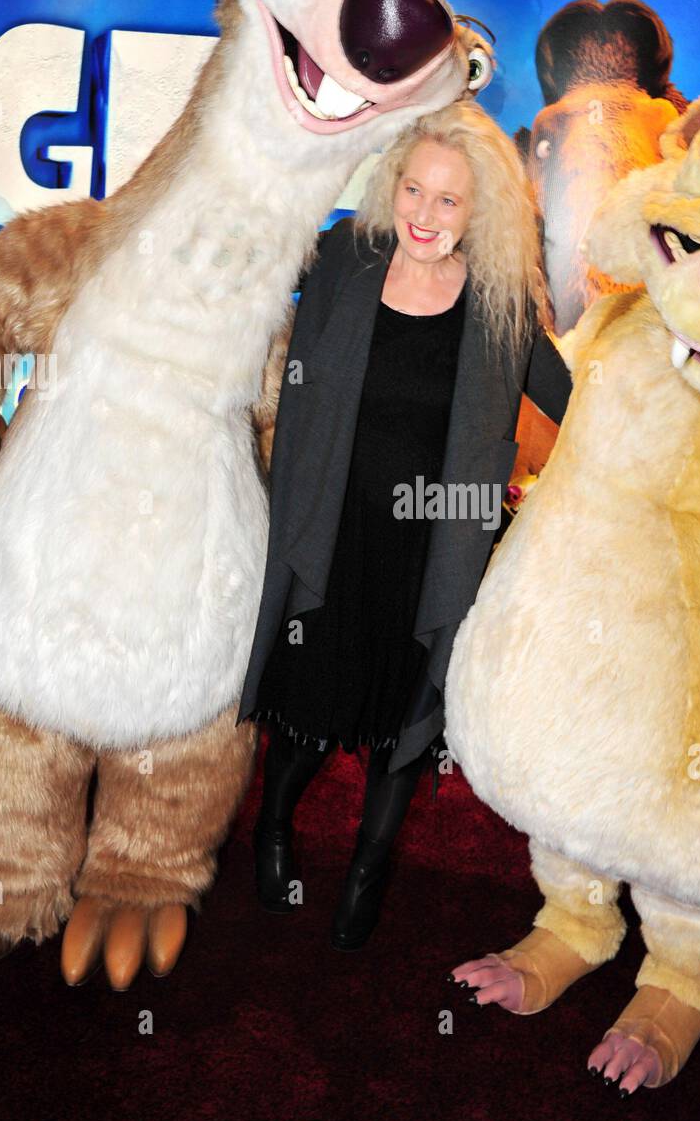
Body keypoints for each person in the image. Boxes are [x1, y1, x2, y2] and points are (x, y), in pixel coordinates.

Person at [236, 99, 573, 950]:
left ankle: (366, 871)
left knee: (402, 722)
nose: (425, 215)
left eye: (448, 201)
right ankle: (272, 829)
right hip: (333, 525)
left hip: (433, 545)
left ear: (480, 210)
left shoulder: (499, 299)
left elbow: (576, 402)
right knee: (305, 712)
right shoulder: (348, 256)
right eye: (414, 191)